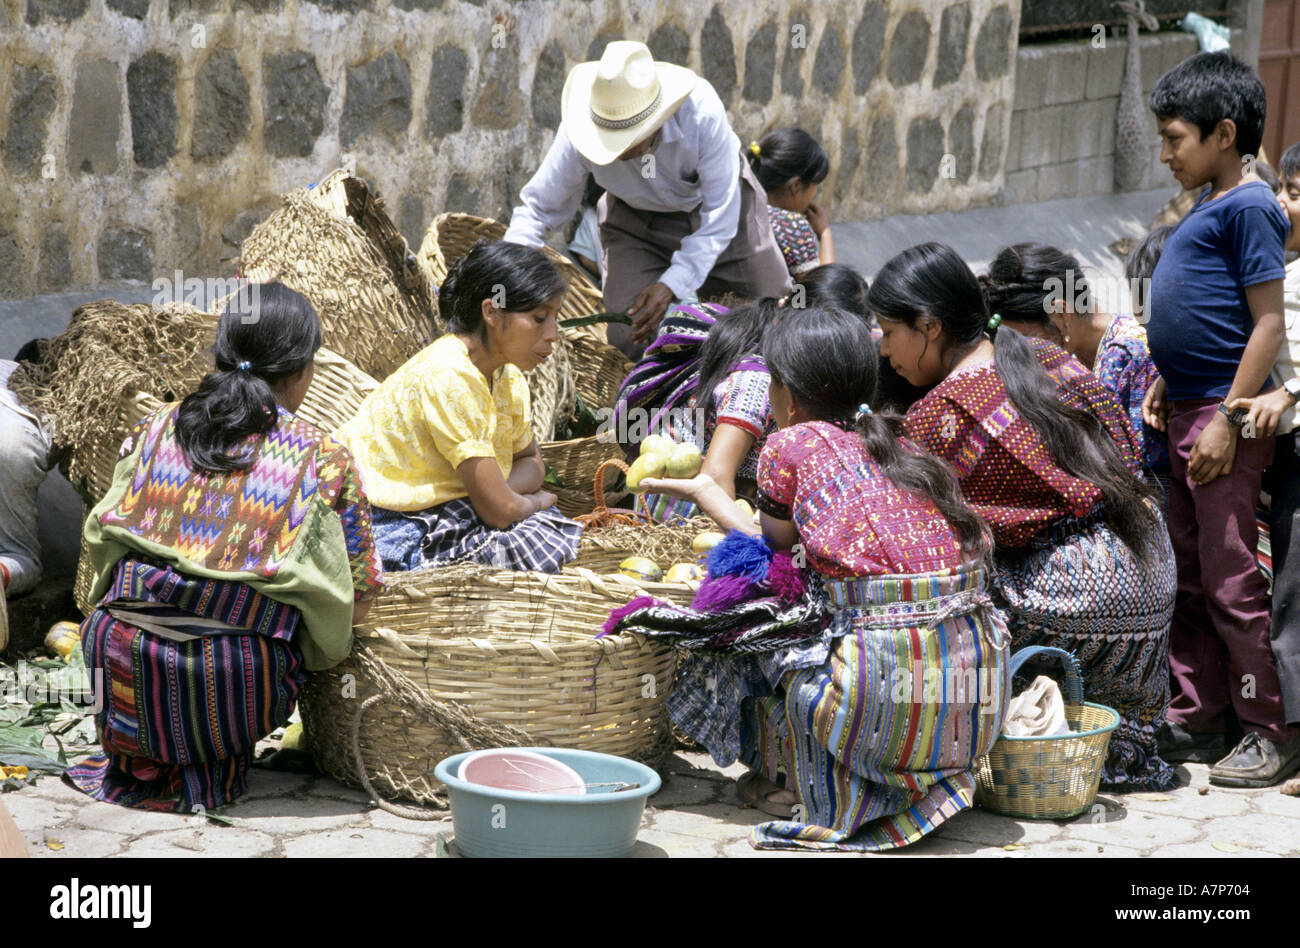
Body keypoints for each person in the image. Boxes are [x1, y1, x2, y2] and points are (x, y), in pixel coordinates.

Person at [623, 304, 1009, 852]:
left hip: (884, 710)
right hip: (972, 714)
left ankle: (788, 779)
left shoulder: (788, 444)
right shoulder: (902, 442)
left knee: (749, 619)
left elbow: (776, 552)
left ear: (788, 395)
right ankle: (876, 776)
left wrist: (710, 497)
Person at [64, 284, 384, 811]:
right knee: (273, 636)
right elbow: (358, 600)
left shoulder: (154, 427)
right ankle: (205, 746)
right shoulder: (322, 458)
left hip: (113, 664)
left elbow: (102, 543)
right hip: (224, 687)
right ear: (304, 369)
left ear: (219, 353)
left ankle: (140, 747)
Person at [875, 242, 1177, 791]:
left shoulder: (936, 417)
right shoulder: (1052, 356)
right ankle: (1117, 731)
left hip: (1084, 593)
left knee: (934, 583)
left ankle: (972, 731)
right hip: (1151, 567)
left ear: (929, 326)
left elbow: (922, 540)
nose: (885, 349)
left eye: (889, 332)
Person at [1141, 51, 1299, 787]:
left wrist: (1228, 418)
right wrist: (1168, 380)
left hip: (1220, 422)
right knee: (1192, 574)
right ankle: (1198, 717)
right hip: (1187, 410)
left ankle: (1269, 728)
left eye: (1176, 138)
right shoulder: (1209, 205)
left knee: (1232, 577)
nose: (1166, 153)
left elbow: (1266, 327)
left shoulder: (1252, 206)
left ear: (1224, 133)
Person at [504, 40, 791, 359]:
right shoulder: (578, 131)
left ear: (657, 120)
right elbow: (539, 209)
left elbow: (719, 219)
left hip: (724, 216)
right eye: (611, 140)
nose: (619, 151)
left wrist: (671, 285)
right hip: (636, 220)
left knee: (770, 315)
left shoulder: (701, 114)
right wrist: (508, 271)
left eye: (629, 139)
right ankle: (649, 403)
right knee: (629, 330)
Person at [338, 240, 582, 573]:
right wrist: (530, 501)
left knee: (539, 528)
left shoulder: (507, 377)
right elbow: (501, 508)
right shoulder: (450, 375)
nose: (553, 334)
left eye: (554, 319)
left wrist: (500, 498)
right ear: (492, 312)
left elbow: (532, 463)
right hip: (385, 521)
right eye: (539, 318)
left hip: (450, 507)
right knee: (528, 542)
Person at [981, 243, 1170, 490]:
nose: (1021, 350)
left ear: (1061, 313)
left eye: (1025, 337)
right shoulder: (1068, 361)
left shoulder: (1129, 356)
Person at [1225, 139, 1300, 743]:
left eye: (1295, 195)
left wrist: (1290, 395)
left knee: (1293, 600)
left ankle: (1288, 738)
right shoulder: (1277, 270)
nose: (1281, 202)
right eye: (1282, 189)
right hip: (1283, 457)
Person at [0, 342, 56, 618]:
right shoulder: (54, 393)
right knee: (19, 554)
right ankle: (4, 572)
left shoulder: (4, 366)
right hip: (11, 436)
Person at [746, 128, 835, 278]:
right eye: (815, 185)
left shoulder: (735, 204)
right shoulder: (791, 226)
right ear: (796, 186)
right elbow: (822, 293)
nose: (814, 195)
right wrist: (825, 233)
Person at [567, 174, 605, 284]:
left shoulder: (590, 217)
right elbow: (584, 258)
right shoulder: (591, 217)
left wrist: (605, 274)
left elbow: (585, 258)